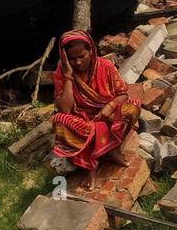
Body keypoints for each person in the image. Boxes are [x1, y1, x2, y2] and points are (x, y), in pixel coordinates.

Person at [50, 30, 140, 182]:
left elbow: (123, 94)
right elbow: (65, 109)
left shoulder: (106, 66)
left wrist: (110, 106)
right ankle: (90, 163)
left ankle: (109, 151)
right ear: (64, 58)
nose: (78, 62)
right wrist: (68, 76)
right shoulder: (62, 73)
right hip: (82, 122)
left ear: (91, 50)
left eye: (81, 56)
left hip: (105, 118)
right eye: (72, 59)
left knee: (132, 108)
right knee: (59, 120)